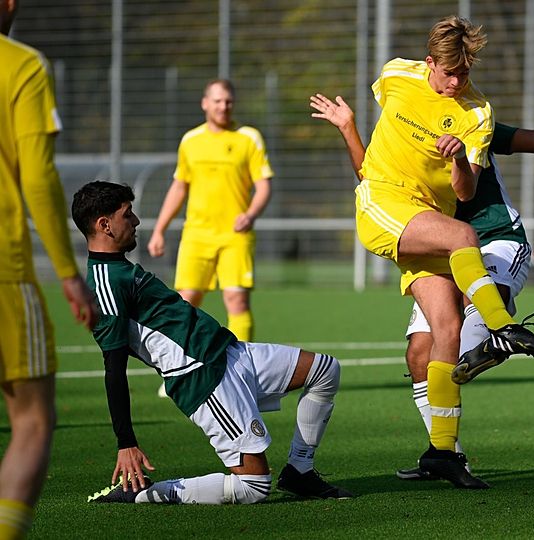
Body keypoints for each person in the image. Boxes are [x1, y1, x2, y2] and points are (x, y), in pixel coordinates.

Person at [309, 93, 534, 483]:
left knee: (476, 310)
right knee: (419, 354)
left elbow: (529, 139)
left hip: (496, 238)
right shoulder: (407, 125)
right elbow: (372, 178)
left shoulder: (472, 123)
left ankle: (497, 333)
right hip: (440, 247)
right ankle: (446, 454)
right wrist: (348, 128)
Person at [344, 15, 534, 489]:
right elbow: (375, 154)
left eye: (464, 73)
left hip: (429, 219)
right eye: (449, 73)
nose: (457, 83)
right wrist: (347, 128)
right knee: (465, 237)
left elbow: (465, 193)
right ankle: (504, 328)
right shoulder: (395, 74)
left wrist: (460, 159)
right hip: (383, 202)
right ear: (429, 63)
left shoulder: (477, 113)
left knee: (445, 332)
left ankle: (443, 452)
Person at [72, 181, 351, 504]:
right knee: (254, 488)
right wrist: (126, 442)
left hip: (230, 352)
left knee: (324, 370)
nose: (136, 221)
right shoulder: (104, 284)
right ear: (104, 225)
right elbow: (114, 368)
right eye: (127, 214)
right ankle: (143, 493)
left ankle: (300, 472)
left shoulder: (120, 267)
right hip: (204, 377)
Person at [0, 2, 98, 537]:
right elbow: (37, 179)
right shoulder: (21, 65)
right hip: (4, 272)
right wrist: (67, 272)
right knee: (33, 421)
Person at [147, 79, 272, 344]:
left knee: (237, 299)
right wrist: (159, 230)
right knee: (185, 303)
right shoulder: (190, 140)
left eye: (228, 101)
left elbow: (263, 186)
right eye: (217, 101)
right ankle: (182, 365)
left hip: (235, 236)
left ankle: (242, 364)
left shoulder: (248, 137)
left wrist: (250, 214)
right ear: (205, 103)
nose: (223, 106)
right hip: (196, 235)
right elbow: (179, 187)